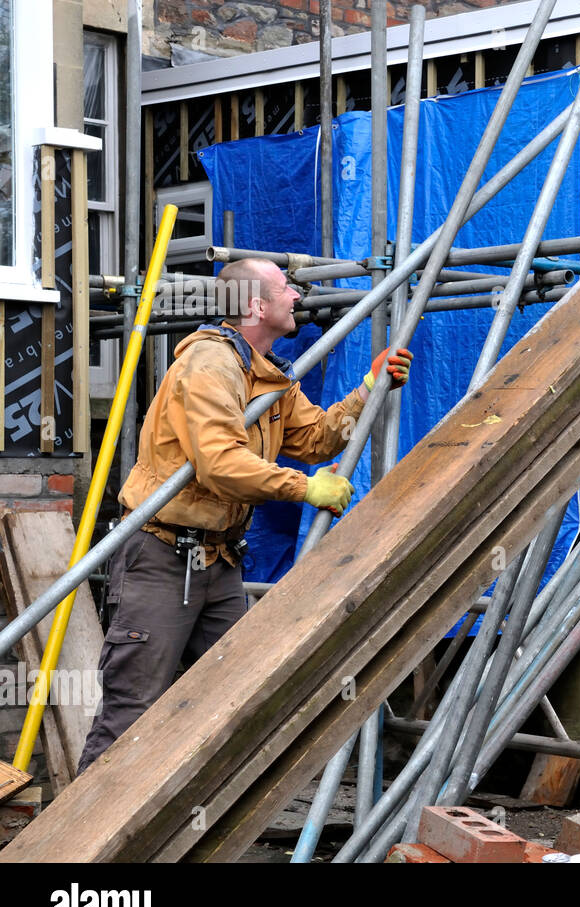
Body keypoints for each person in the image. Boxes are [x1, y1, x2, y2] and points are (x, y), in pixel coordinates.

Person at [78, 257, 412, 772]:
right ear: (256, 305)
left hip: (219, 561)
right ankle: (83, 846)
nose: (297, 295)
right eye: (285, 288)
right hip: (163, 554)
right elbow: (219, 465)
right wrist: (304, 489)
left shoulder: (266, 373)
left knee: (231, 701)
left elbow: (316, 438)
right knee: (133, 711)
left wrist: (369, 390)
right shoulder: (209, 365)